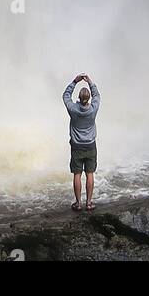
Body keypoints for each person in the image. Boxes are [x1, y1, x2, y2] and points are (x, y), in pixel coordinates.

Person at [63, 72, 100, 211]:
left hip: (77, 146)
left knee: (77, 174)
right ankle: (89, 203)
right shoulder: (93, 109)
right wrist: (89, 81)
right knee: (90, 173)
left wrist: (75, 81)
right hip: (90, 145)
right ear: (89, 99)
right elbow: (97, 95)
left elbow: (65, 96)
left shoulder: (73, 109)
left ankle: (78, 203)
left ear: (78, 98)